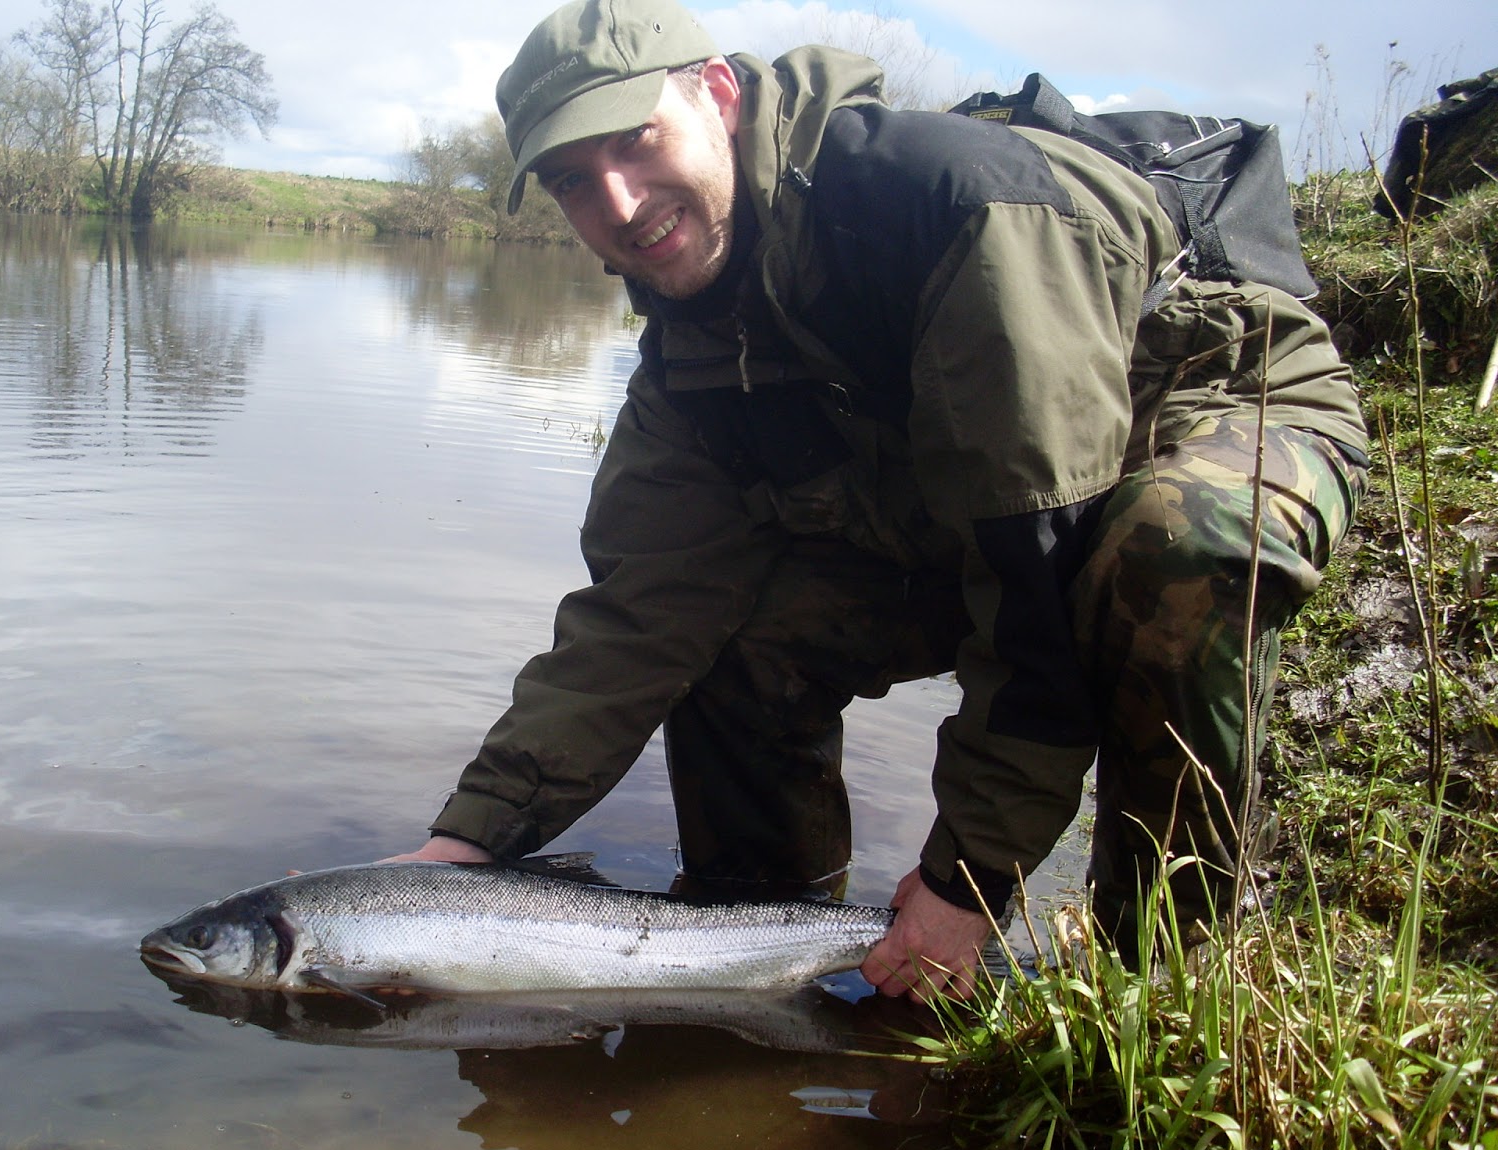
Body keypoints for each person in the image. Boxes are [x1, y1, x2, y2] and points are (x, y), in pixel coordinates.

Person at [392, 0, 1369, 1001]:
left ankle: (1164, 979)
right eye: (570, 180)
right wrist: (465, 846)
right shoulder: (687, 352)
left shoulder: (958, 211)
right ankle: (768, 949)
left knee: (1169, 549)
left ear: (718, 96)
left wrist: (969, 878)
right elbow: (636, 619)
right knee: (733, 629)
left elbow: (1037, 567)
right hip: (980, 487)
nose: (619, 201)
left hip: (1205, 412)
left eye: (635, 141)